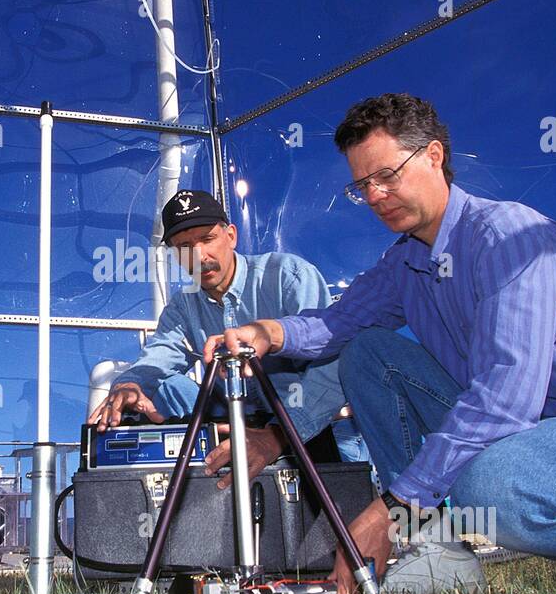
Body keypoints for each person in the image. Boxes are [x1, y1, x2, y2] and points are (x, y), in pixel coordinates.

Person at [205, 93, 556, 594]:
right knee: (368, 352)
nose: (375, 195)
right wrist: (268, 334)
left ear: (433, 156)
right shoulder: (405, 261)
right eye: (363, 185)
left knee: (489, 488)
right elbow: (337, 323)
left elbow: (504, 397)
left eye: (387, 175)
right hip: (526, 435)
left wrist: (392, 507)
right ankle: (438, 551)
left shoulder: (511, 236)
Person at [88, 189, 364, 479]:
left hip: (317, 427)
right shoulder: (183, 306)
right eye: (183, 247)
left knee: (333, 518)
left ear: (231, 236)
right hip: (240, 429)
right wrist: (128, 385)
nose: (199, 256)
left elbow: (330, 367)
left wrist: (278, 434)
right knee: (168, 386)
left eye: (207, 239)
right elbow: (158, 358)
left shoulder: (288, 276)